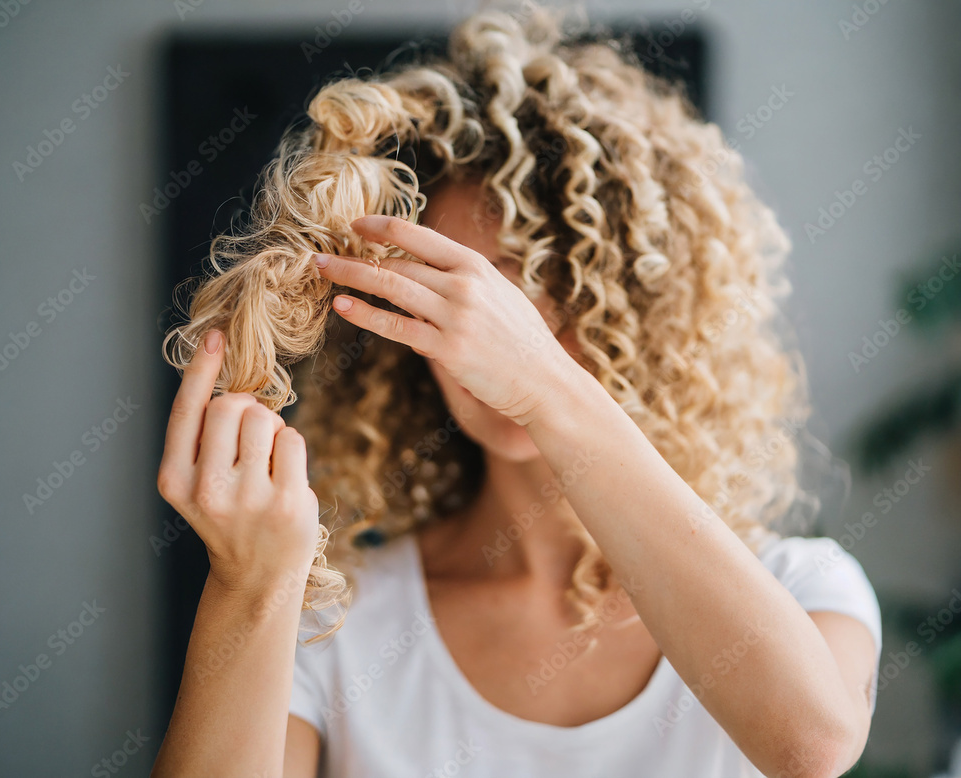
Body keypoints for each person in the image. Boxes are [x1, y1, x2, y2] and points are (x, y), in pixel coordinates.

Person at [151, 3, 882, 776]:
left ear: (654, 317)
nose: (501, 341)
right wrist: (250, 586)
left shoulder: (802, 590)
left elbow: (811, 748)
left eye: (557, 295)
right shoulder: (336, 624)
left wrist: (546, 386)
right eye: (463, 295)